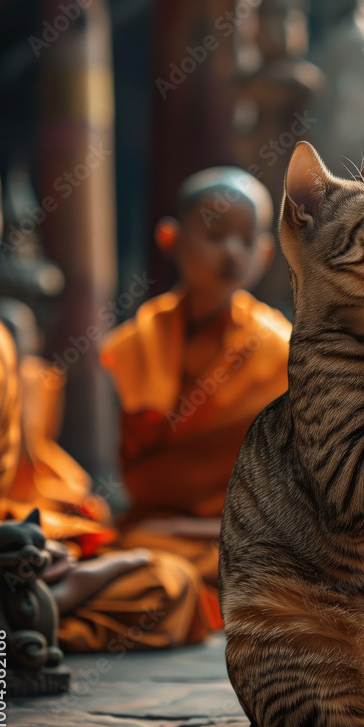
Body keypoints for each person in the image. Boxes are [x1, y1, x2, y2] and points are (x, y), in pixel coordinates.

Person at [0, 152, 212, 652]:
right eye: (213, 234)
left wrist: (41, 547)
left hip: (3, 551)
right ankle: (22, 615)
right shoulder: (145, 338)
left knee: (169, 582)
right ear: (171, 239)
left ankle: (25, 614)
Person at [100, 168, 291, 624]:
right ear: (170, 238)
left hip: (253, 535)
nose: (232, 251)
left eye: (246, 239)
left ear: (265, 252)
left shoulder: (281, 350)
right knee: (137, 553)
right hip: (159, 530)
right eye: (215, 234)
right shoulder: (135, 344)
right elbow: (138, 474)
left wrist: (188, 526)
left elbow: (293, 484)